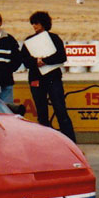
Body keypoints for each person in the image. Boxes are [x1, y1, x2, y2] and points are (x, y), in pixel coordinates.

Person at [21, 11, 76, 142]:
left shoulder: (55, 38)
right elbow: (24, 60)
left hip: (53, 78)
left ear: (44, 23)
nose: (34, 26)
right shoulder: (29, 41)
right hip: (36, 78)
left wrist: (45, 60)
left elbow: (62, 56)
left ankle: (70, 142)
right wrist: (36, 62)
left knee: (60, 110)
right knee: (41, 112)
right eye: (33, 23)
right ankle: (45, 143)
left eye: (37, 23)